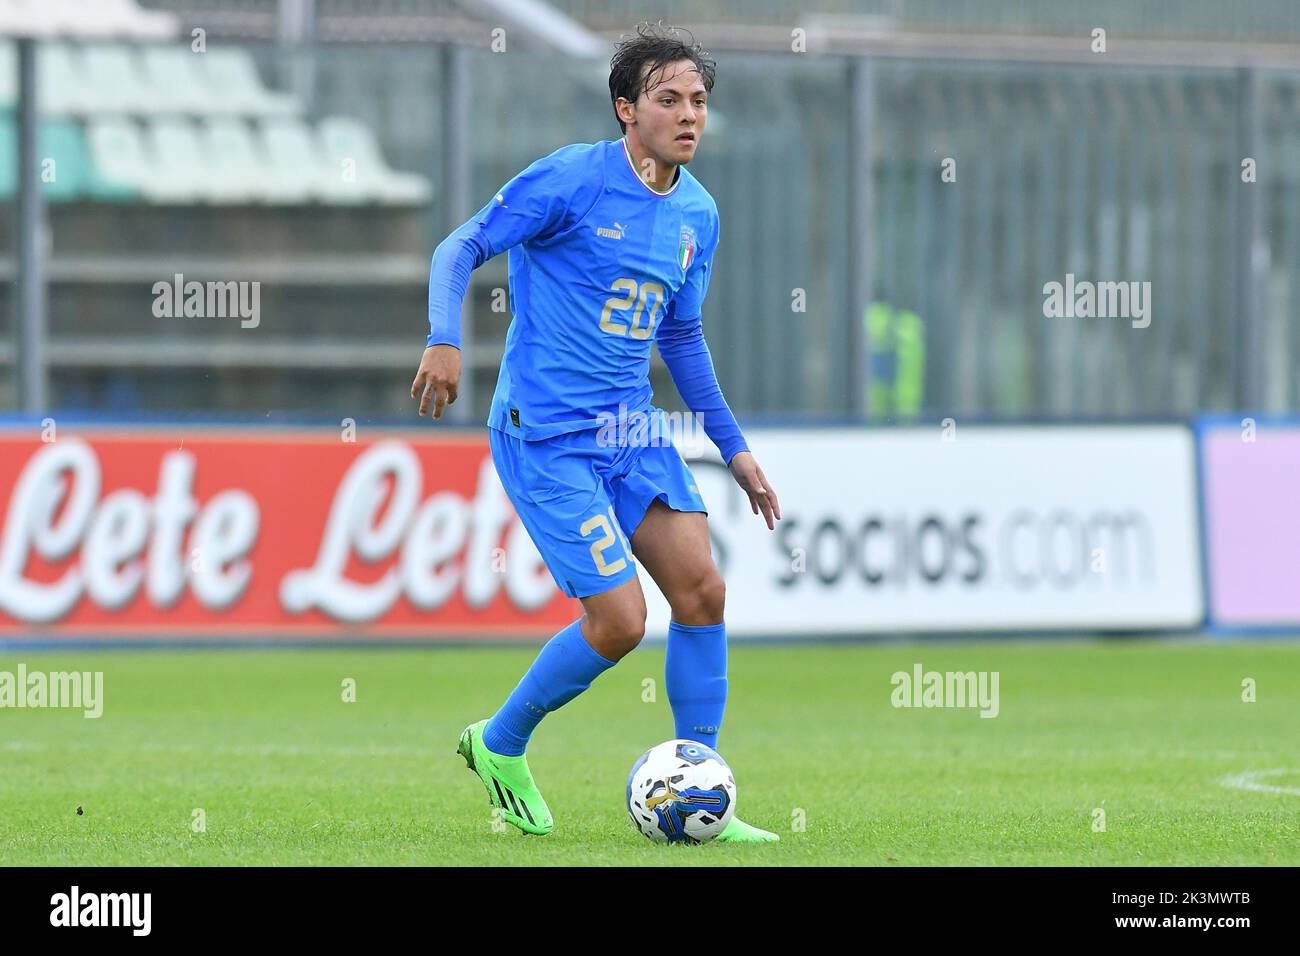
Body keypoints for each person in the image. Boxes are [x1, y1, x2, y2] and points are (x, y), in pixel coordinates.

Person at [411, 23, 781, 842]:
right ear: (626, 109)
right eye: (668, 99)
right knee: (619, 622)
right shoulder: (571, 180)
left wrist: (735, 448)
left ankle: (701, 791)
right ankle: (499, 744)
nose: (689, 115)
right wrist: (444, 337)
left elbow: (680, 339)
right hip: (545, 436)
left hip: (631, 431)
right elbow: (460, 245)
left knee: (703, 593)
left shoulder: (698, 214)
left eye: (698, 101)